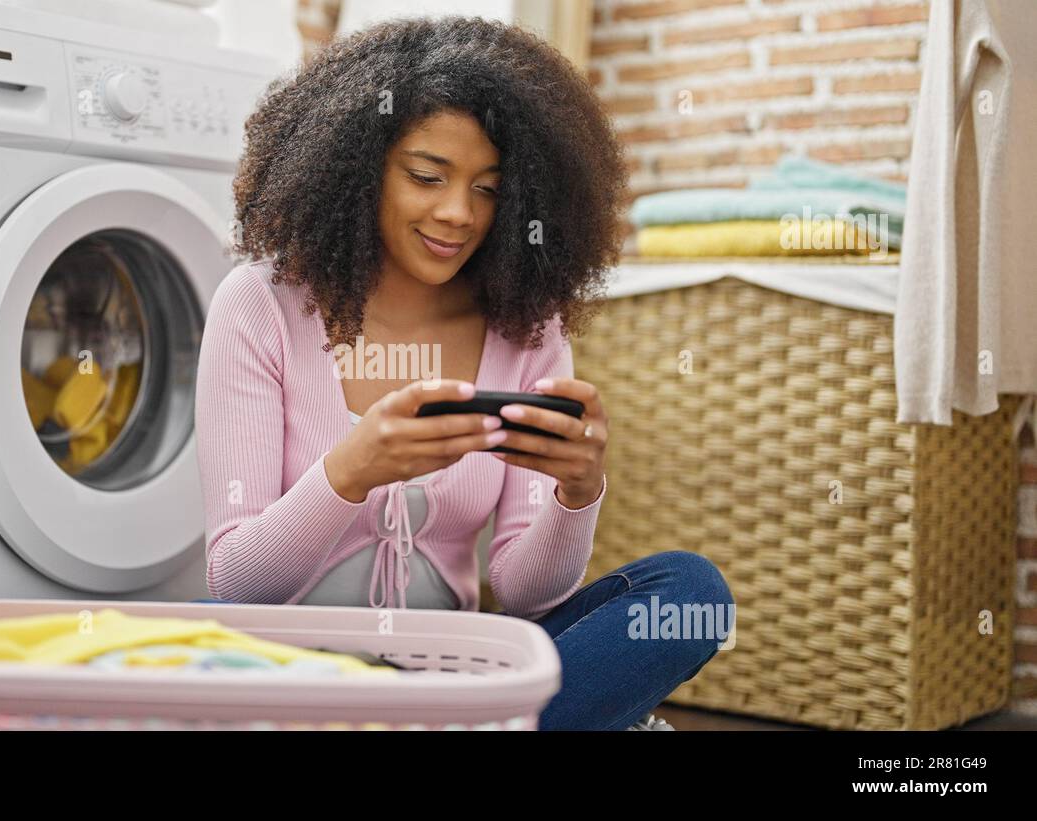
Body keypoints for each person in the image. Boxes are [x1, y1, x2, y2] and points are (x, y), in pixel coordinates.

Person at [193, 15, 733, 731]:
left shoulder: (524, 328)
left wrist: (578, 492)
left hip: (458, 681)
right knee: (194, 634)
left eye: (487, 188)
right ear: (358, 166)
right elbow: (238, 581)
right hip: (295, 674)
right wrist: (350, 470)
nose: (458, 213)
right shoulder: (260, 305)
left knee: (691, 596)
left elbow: (523, 590)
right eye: (427, 176)